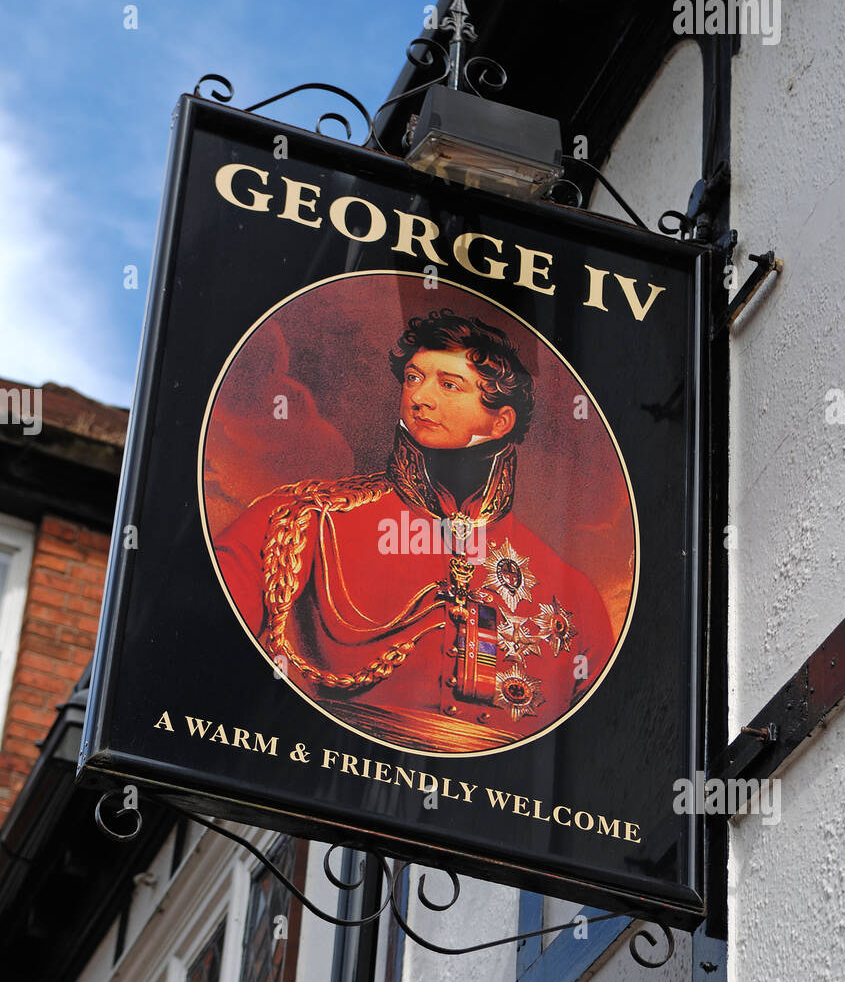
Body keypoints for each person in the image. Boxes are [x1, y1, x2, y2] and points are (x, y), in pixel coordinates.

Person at [214, 308, 615, 753]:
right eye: (413, 378)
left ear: (500, 422)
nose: (419, 398)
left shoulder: (577, 600)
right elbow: (205, 647)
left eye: (448, 384)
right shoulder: (298, 521)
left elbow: (601, 755)